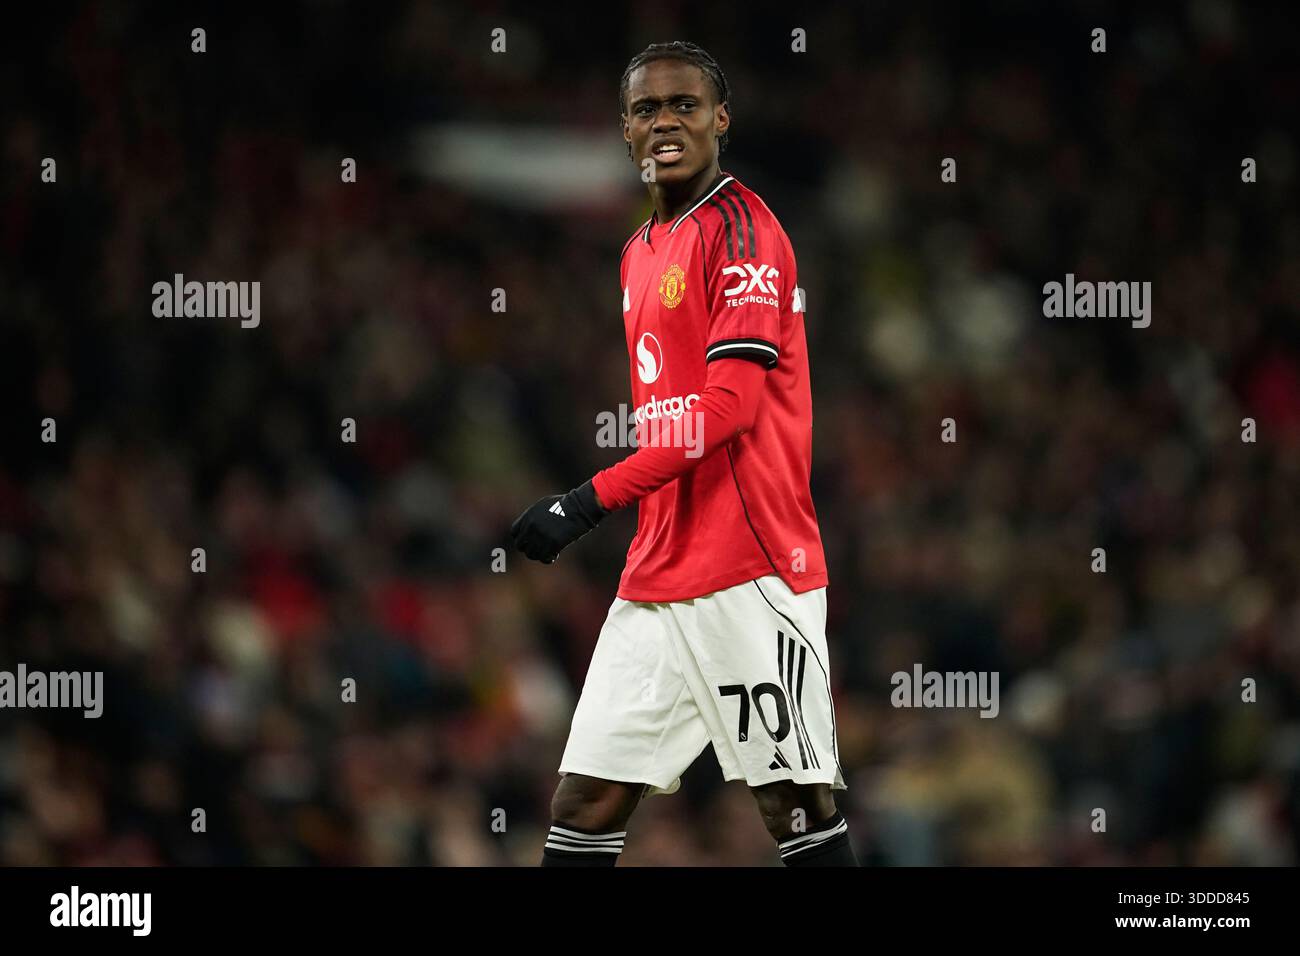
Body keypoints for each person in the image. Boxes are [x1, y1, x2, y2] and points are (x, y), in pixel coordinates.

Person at [510, 41, 854, 867]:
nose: (664, 121)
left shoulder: (745, 233)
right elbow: (667, 415)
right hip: (660, 569)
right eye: (644, 109)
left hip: (751, 563)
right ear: (625, 132)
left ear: (720, 121)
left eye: (684, 105)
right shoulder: (638, 251)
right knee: (585, 801)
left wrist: (587, 499)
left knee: (795, 807)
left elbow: (727, 411)